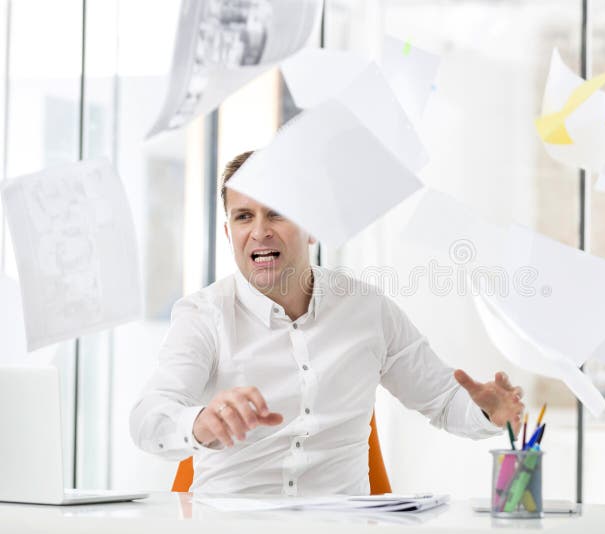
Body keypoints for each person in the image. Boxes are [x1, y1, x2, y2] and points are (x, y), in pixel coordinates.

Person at [130, 150, 524, 495]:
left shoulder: (367, 309)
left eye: (276, 213)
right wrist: (201, 422)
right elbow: (149, 419)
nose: (259, 231)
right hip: (234, 523)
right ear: (228, 231)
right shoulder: (205, 315)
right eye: (244, 216)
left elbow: (443, 401)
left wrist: (488, 412)